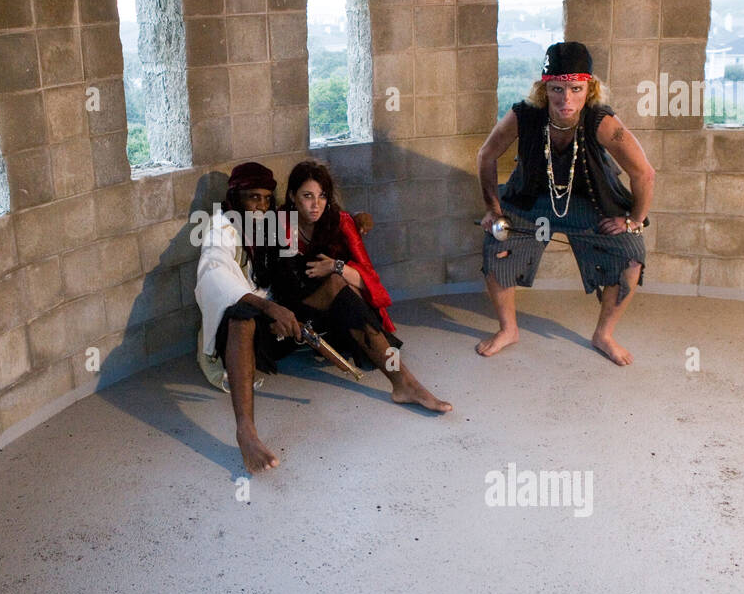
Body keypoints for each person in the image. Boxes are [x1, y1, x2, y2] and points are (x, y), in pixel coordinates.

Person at [475, 41, 655, 365]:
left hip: (589, 203)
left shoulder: (601, 121)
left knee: (632, 254)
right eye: (557, 88)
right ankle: (509, 329)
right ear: (545, 88)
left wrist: (633, 220)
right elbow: (486, 155)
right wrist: (493, 208)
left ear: (590, 87)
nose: (566, 99)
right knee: (496, 242)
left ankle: (604, 335)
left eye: (575, 88)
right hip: (531, 200)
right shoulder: (524, 115)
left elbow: (644, 173)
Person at [272, 160, 452, 413]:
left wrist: (335, 266)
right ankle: (403, 382)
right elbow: (274, 280)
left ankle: (402, 381)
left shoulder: (339, 221)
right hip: (293, 311)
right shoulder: (279, 224)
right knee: (337, 284)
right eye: (307, 196)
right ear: (292, 196)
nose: (316, 205)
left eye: (322, 196)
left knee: (341, 283)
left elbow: (369, 280)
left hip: (334, 310)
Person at [194, 162, 303, 473]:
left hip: (269, 324)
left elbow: (284, 269)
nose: (261, 206)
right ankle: (246, 432)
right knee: (242, 317)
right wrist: (268, 307)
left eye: (267, 199)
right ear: (236, 197)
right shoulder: (220, 225)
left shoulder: (268, 224)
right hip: (239, 329)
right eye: (254, 198)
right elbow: (213, 270)